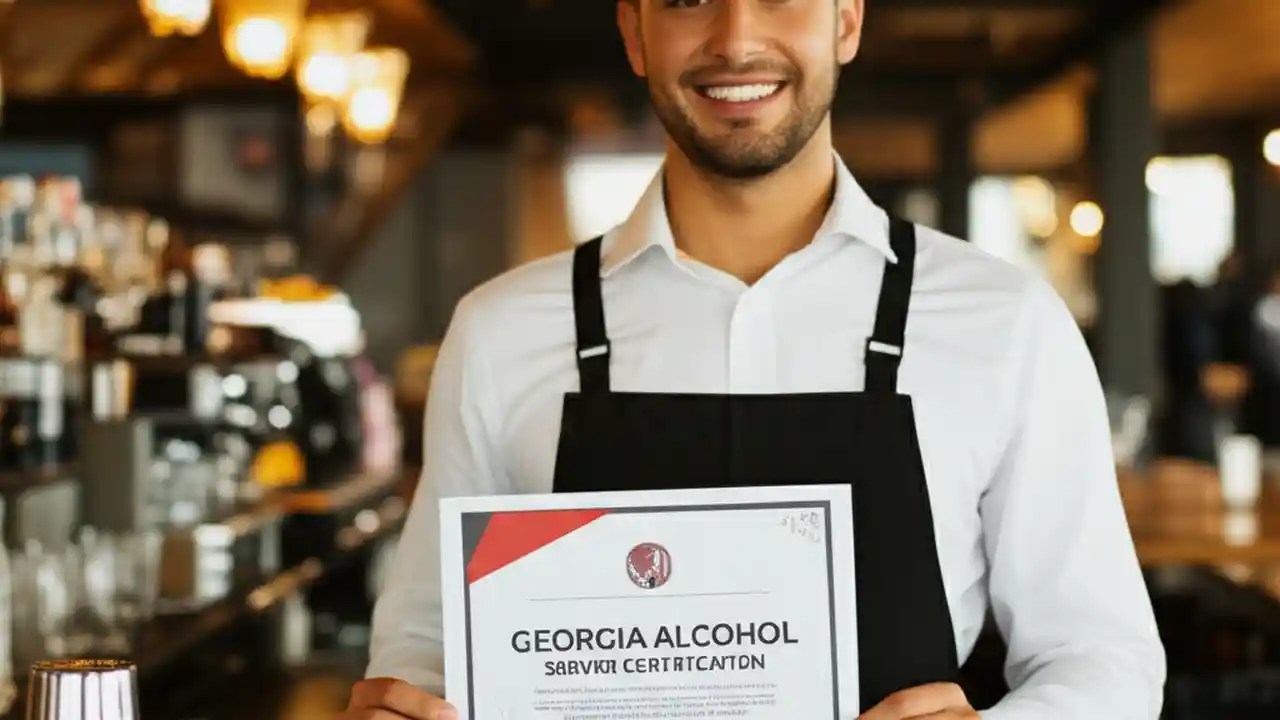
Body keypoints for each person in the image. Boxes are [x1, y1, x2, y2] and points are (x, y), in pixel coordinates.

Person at [343, 0, 1165, 718]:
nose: (735, 39)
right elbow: (429, 646)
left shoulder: (1005, 323)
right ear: (634, 32)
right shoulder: (499, 333)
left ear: (847, 19)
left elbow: (1101, 655)